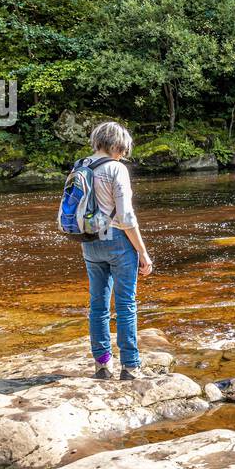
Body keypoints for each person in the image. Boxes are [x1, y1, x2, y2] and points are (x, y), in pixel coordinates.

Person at [80, 121, 154, 380]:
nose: (123, 153)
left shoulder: (82, 166)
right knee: (125, 305)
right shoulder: (116, 169)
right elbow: (126, 217)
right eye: (122, 148)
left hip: (89, 240)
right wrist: (142, 252)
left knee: (97, 305)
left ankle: (102, 364)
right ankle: (131, 367)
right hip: (117, 241)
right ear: (114, 145)